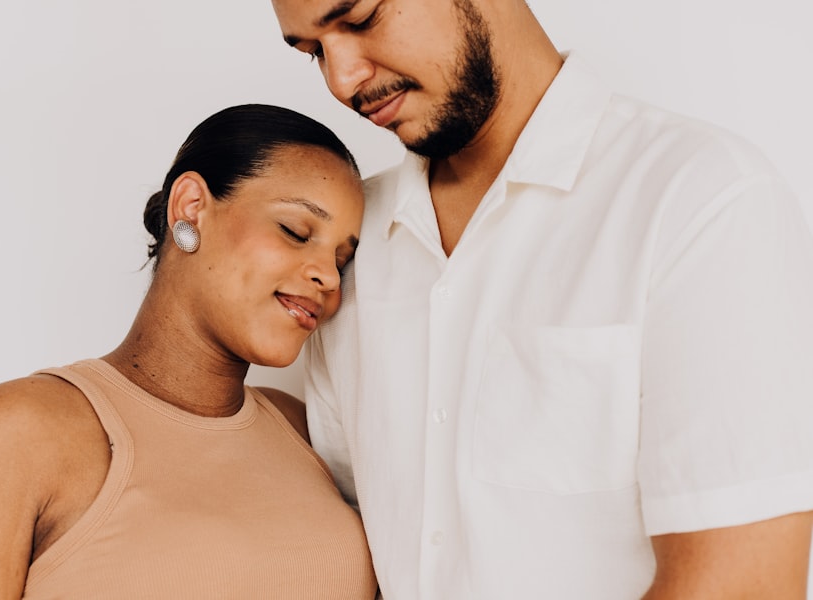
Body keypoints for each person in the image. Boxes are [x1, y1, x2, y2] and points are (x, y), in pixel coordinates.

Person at [269, 1, 813, 598]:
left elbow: (743, 583)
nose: (343, 80)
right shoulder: (342, 249)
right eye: (314, 52)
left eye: (361, 18)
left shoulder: (698, 201)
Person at [0, 104, 378, 599]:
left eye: (342, 259)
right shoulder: (19, 430)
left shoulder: (306, 430)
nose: (329, 278)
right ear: (191, 207)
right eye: (296, 231)